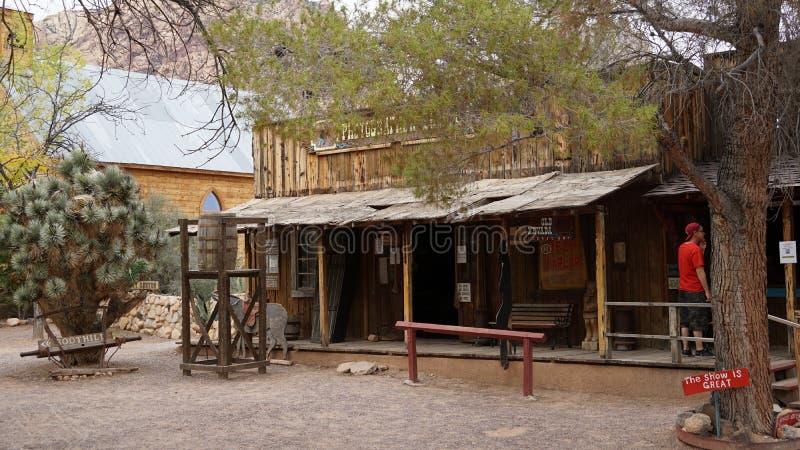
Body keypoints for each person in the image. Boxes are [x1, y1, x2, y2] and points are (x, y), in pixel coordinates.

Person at [678, 222, 713, 357]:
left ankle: (685, 348)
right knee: (698, 319)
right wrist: (707, 291)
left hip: (683, 289)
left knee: (685, 319)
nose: (704, 233)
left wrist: (702, 250)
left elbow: (690, 265)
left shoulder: (682, 247)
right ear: (695, 233)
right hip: (695, 289)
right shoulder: (695, 249)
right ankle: (700, 349)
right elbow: (700, 271)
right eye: (701, 231)